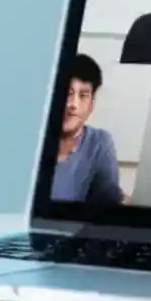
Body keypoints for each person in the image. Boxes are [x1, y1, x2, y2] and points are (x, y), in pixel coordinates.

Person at [50, 54, 125, 205]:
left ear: (91, 105)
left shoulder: (99, 143)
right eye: (68, 93)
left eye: (83, 96)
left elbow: (110, 202)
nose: (73, 104)